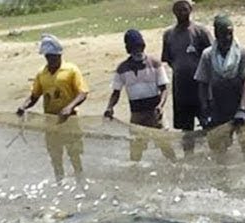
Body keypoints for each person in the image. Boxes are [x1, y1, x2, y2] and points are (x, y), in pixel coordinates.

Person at [18, 35, 90, 181]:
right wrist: (23, 106)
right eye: (47, 57)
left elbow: (83, 93)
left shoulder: (71, 70)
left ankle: (80, 182)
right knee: (55, 156)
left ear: (59, 54)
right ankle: (59, 183)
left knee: (74, 155)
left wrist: (69, 107)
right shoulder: (42, 74)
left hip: (70, 120)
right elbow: (34, 96)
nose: (50, 60)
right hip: (50, 122)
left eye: (52, 56)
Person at [105, 29, 177, 162]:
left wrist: (160, 106)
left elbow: (164, 89)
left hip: (156, 113)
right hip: (137, 115)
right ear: (128, 50)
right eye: (134, 48)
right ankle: (135, 172)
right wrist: (110, 107)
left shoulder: (155, 63)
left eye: (139, 47)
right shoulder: (122, 69)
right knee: (136, 150)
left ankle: (175, 167)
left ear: (143, 46)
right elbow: (116, 92)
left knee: (166, 145)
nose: (137, 51)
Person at [195, 15, 245, 162]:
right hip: (218, 108)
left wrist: (241, 109)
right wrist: (205, 109)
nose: (227, 37)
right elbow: (202, 83)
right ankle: (223, 174)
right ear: (216, 34)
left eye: (230, 33)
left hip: (242, 105)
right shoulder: (208, 55)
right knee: (219, 149)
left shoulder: (243, 53)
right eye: (224, 34)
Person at [161, 0, 213, 152]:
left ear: (190, 10)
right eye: (178, 10)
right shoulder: (168, 35)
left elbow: (211, 56)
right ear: (173, 12)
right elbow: (168, 58)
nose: (181, 13)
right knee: (186, 130)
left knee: (208, 125)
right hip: (181, 89)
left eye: (184, 9)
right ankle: (188, 159)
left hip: (200, 88)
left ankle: (216, 157)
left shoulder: (201, 31)